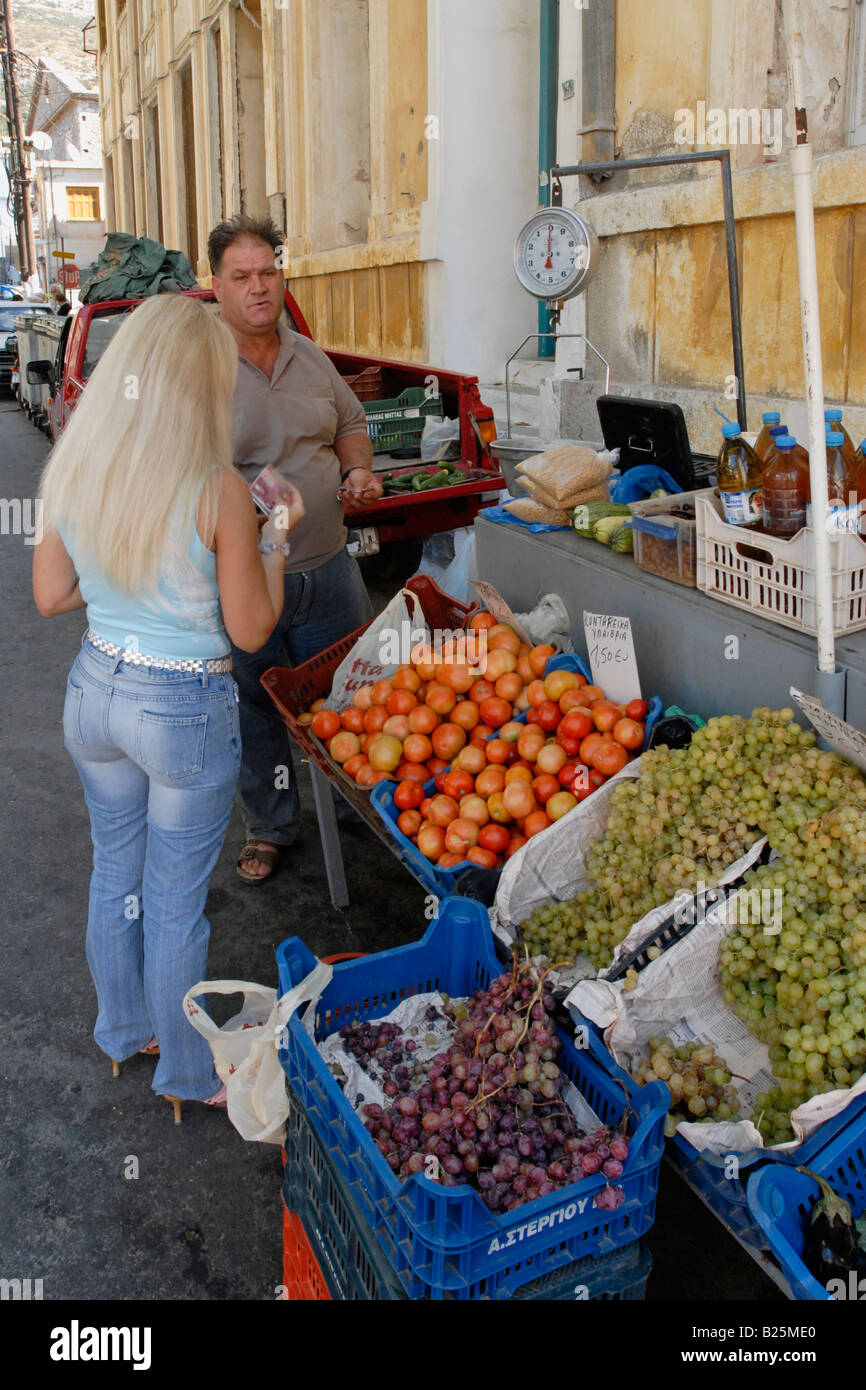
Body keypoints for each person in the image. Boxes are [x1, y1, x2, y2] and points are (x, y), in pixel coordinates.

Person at [32, 293, 304, 1120]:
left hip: (95, 694)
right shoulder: (218, 489)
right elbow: (253, 629)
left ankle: (125, 1034)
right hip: (180, 706)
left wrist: (124, 576)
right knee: (176, 898)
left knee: (116, 872)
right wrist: (275, 536)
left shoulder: (76, 466)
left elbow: (52, 596)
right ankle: (188, 1075)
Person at [208, 213, 384, 884]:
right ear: (217, 285)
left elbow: (351, 422)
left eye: (269, 272)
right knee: (255, 705)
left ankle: (355, 804)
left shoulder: (309, 355)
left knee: (351, 690)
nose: (258, 288)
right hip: (248, 576)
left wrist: (357, 471)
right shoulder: (202, 368)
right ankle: (271, 826)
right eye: (242, 276)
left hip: (330, 567)